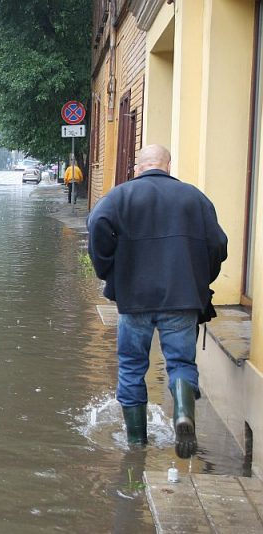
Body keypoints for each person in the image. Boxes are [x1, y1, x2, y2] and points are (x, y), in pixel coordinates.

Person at [87, 145, 227, 458]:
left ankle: (136, 443)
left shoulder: (118, 197)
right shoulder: (194, 198)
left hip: (134, 299)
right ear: (168, 165)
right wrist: (200, 278)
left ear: (138, 167)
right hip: (182, 298)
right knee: (181, 363)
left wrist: (110, 271)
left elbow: (96, 227)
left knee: (132, 366)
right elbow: (218, 244)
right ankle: (183, 414)